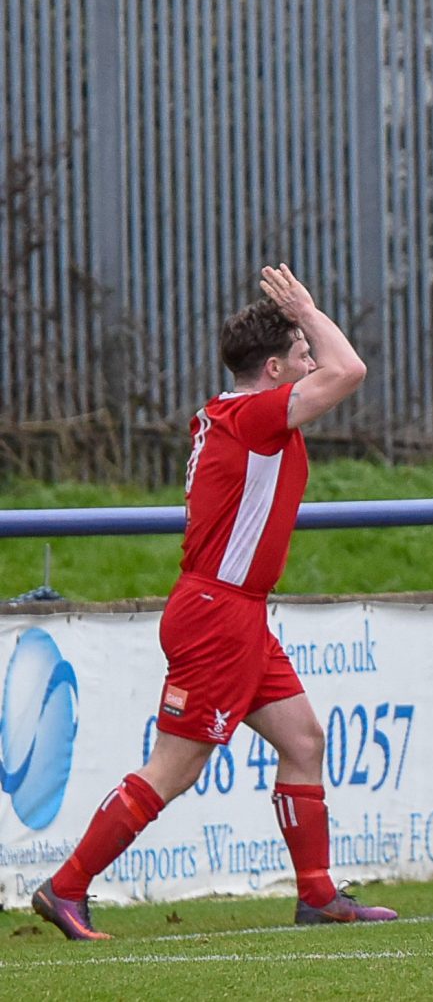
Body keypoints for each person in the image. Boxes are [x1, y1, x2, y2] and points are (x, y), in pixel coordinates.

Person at [33, 266, 392, 940]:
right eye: (302, 354)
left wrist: (303, 322)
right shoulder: (253, 415)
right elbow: (350, 370)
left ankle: (317, 895)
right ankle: (66, 886)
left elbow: (335, 369)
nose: (312, 363)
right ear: (275, 367)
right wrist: (305, 309)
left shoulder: (238, 415)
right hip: (217, 614)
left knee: (303, 740)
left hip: (237, 611)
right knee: (176, 766)